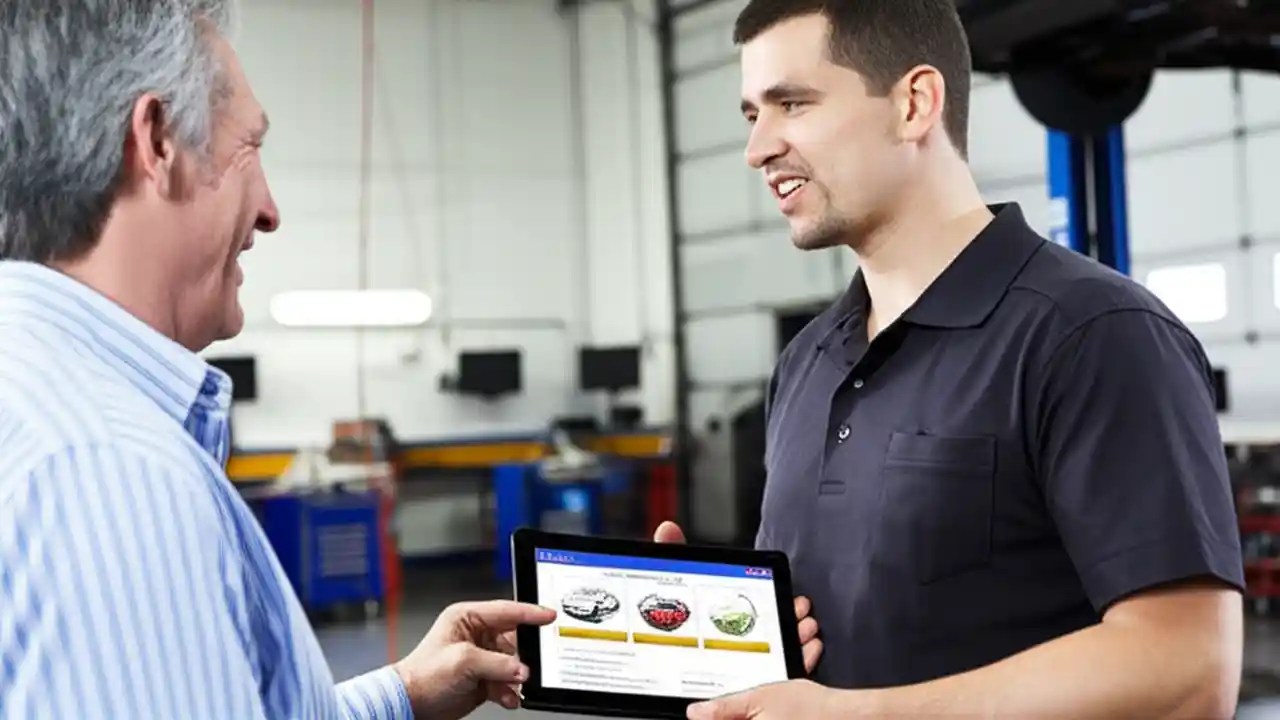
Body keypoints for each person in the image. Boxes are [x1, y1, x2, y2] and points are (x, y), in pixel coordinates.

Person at [658, 1, 1247, 718]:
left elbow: (1188, 669)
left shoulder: (1093, 335)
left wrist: (865, 717)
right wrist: (721, 631)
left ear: (914, 103)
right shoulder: (809, 360)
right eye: (753, 114)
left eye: (793, 103)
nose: (758, 148)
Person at [0, 2, 555, 718]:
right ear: (157, 141)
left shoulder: (30, 390)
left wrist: (403, 694)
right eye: (248, 149)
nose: (269, 209)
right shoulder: (106, 469)